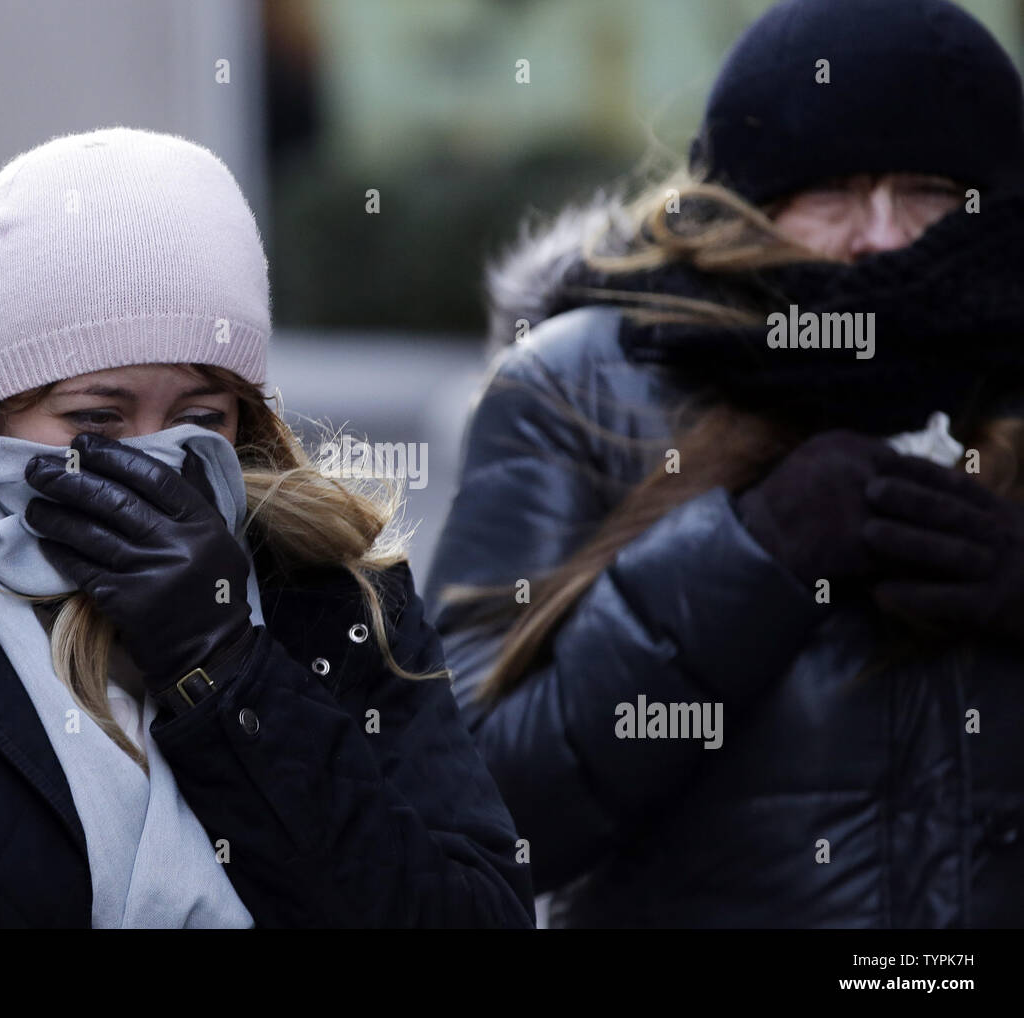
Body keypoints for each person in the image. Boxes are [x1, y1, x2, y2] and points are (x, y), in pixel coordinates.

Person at [0, 128, 534, 929]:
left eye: (198, 415)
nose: (151, 460)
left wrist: (225, 670)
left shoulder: (330, 592)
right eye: (96, 418)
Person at [425, 0, 1024, 928]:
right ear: (744, 205)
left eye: (926, 191)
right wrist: (749, 559)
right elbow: (469, 811)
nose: (878, 233)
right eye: (831, 191)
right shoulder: (585, 384)